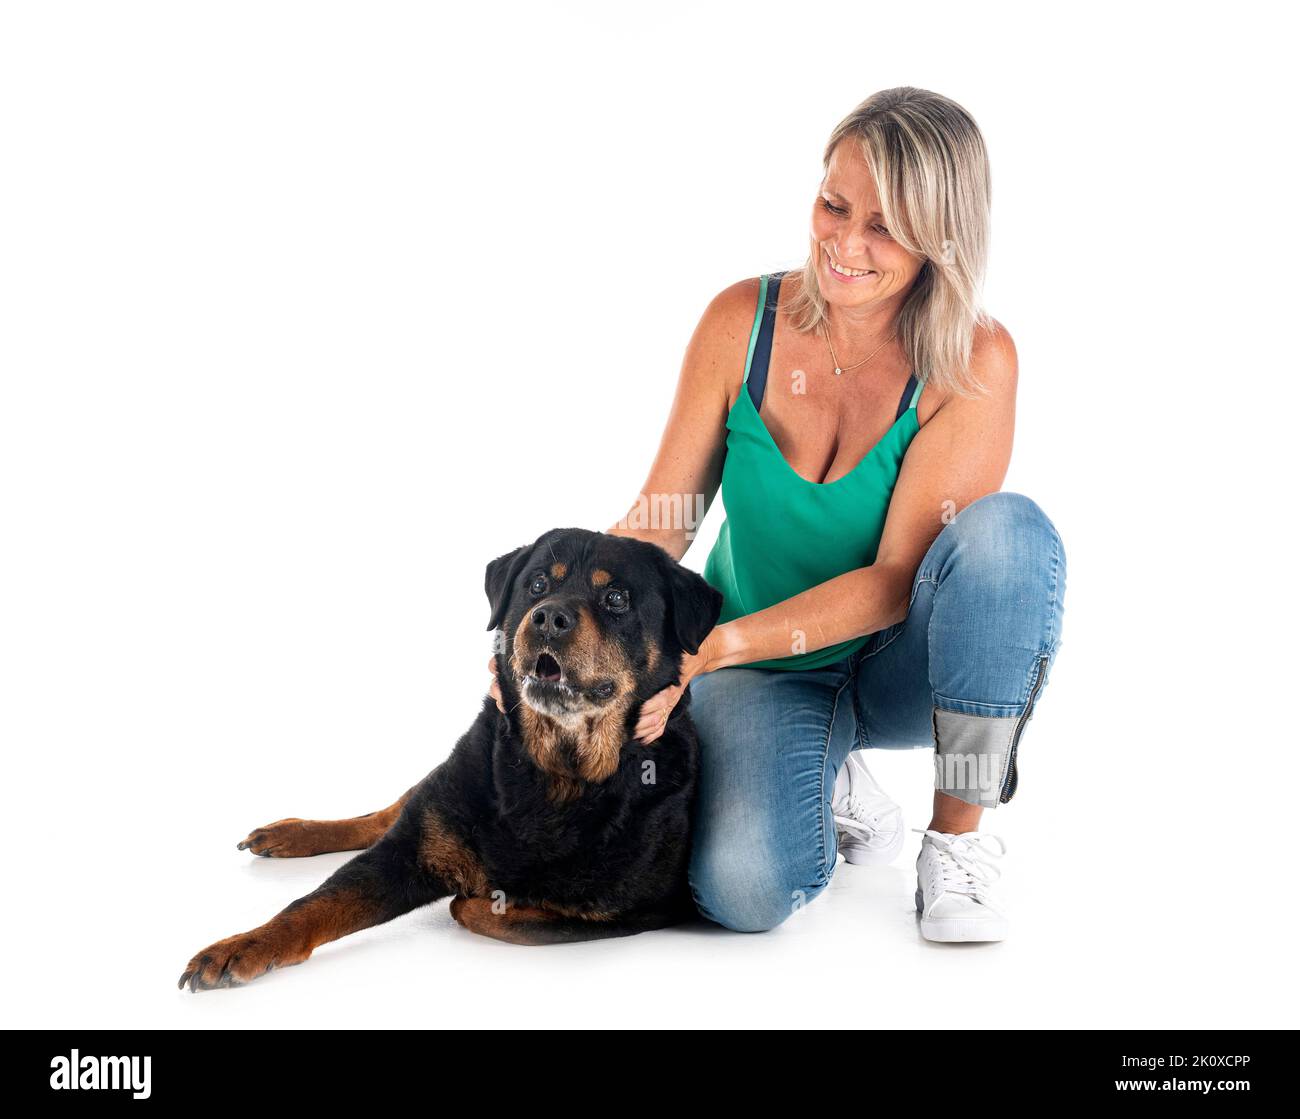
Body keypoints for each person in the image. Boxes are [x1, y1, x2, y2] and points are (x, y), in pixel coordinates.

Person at [491, 87, 1066, 942]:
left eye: (885, 226)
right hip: (764, 672)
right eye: (835, 205)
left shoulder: (976, 359)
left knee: (1011, 540)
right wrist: (554, 627)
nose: (846, 243)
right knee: (743, 890)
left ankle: (957, 837)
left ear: (941, 238)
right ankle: (829, 775)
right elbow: (666, 515)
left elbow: (895, 581)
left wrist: (721, 643)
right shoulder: (741, 324)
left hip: (907, 667)